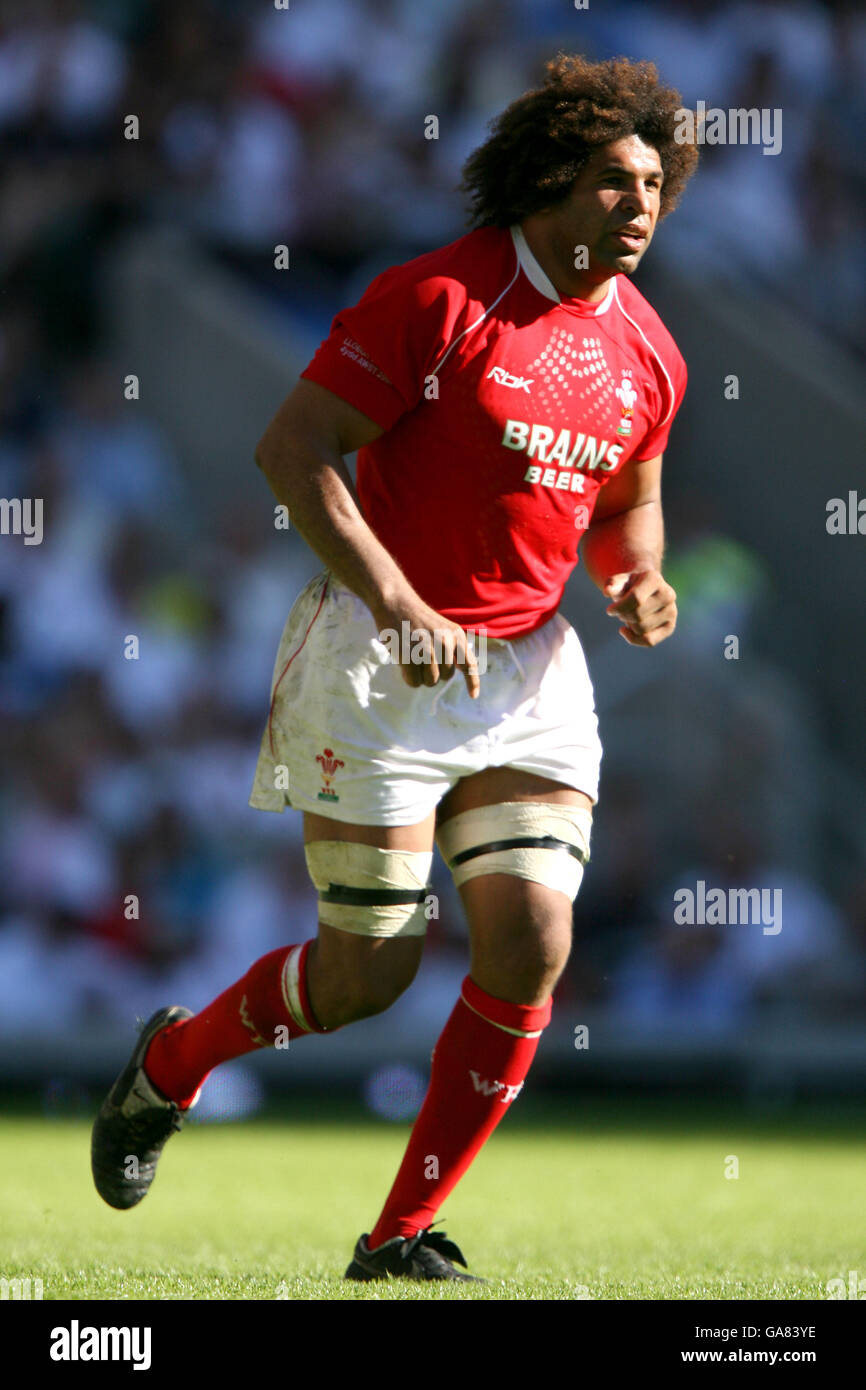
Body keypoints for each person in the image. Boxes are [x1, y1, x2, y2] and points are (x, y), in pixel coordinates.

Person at [91, 54, 698, 1283]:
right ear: (547, 179)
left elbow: (625, 507)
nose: (638, 204)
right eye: (611, 179)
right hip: (378, 662)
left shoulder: (650, 352)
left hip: (529, 671)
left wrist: (635, 578)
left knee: (532, 942)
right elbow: (293, 448)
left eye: (652, 184)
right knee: (367, 975)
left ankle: (399, 1234)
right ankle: (169, 1066)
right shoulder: (436, 299)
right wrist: (398, 600)